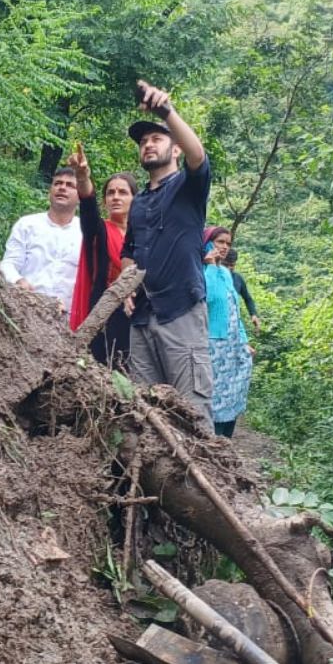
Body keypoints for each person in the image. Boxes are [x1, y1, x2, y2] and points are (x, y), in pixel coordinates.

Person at [119, 81, 214, 427]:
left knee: (192, 409)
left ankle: (205, 479)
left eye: (156, 139)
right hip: (142, 318)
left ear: (174, 150)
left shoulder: (189, 188)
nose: (147, 144)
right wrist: (126, 285)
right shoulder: (139, 202)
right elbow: (129, 251)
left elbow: (199, 157)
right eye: (143, 142)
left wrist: (167, 113)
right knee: (145, 412)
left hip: (181, 310)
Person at [66, 142, 136, 367]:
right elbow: (88, 208)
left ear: (135, 199)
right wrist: (82, 176)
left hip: (138, 315)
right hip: (104, 314)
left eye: (123, 192)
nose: (115, 197)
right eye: (110, 193)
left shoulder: (144, 237)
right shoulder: (100, 231)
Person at [0, 167, 83, 308]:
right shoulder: (27, 225)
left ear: (80, 195)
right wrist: (18, 280)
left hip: (70, 316)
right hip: (27, 311)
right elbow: (8, 263)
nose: (62, 188)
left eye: (70, 185)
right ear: (50, 191)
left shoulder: (86, 231)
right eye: (57, 183)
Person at [202, 227, 253, 437]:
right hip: (214, 342)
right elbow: (210, 298)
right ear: (207, 243)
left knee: (235, 389)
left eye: (228, 243)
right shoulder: (202, 270)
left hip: (233, 342)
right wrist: (211, 265)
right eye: (219, 242)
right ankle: (211, 438)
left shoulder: (226, 272)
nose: (224, 247)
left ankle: (226, 440)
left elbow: (235, 310)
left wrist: (244, 340)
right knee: (216, 393)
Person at [225, 247, 261, 334]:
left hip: (234, 323)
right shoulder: (213, 277)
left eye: (232, 265)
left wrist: (253, 314)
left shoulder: (237, 278)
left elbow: (247, 298)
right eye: (226, 265)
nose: (229, 268)